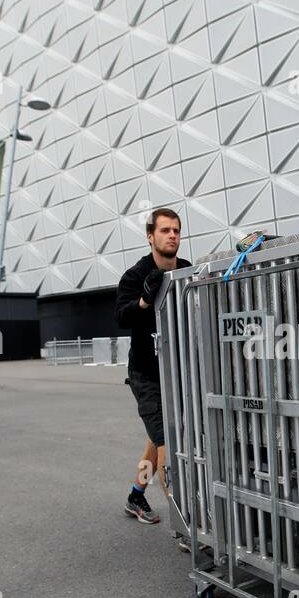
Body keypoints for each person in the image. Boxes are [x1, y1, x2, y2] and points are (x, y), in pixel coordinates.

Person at [115, 207, 190, 525]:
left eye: (176, 230)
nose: (172, 235)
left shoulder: (187, 269)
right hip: (146, 374)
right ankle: (185, 525)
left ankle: (136, 495)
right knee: (166, 445)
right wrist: (144, 301)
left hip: (177, 369)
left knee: (153, 444)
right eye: (165, 230)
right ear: (150, 236)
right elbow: (121, 316)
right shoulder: (135, 275)